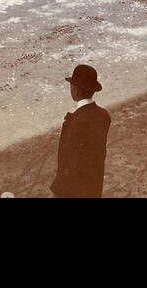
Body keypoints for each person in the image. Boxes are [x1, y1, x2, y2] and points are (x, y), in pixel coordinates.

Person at [50, 64, 110, 198]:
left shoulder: (76, 121)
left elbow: (68, 162)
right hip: (93, 186)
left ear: (75, 89)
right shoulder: (103, 115)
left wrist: (57, 191)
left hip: (73, 190)